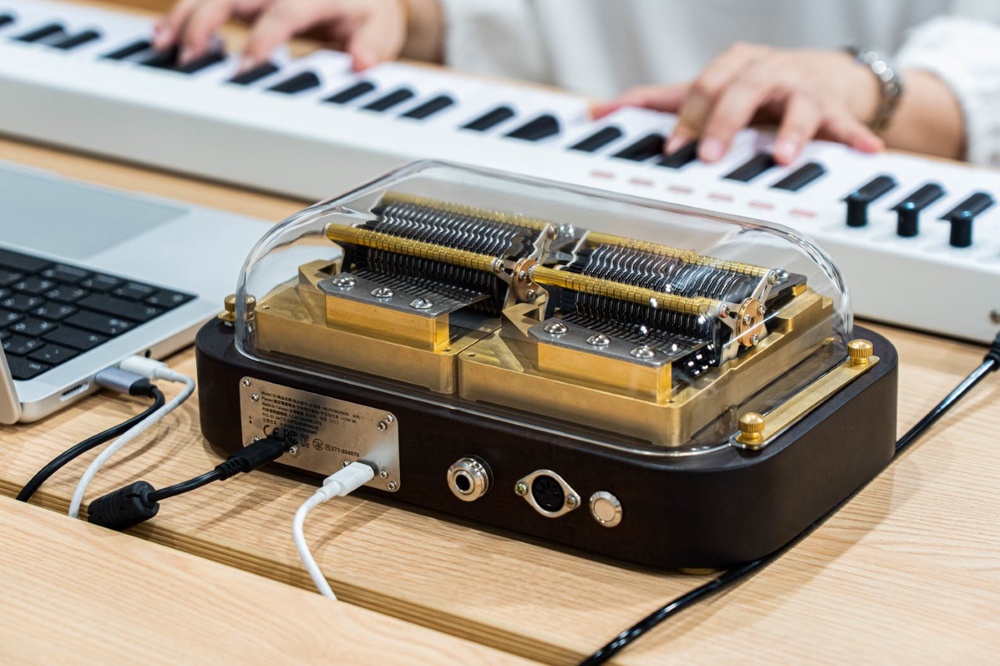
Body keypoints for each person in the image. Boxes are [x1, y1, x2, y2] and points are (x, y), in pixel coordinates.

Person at [154, 0, 1000, 167]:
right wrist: (402, 13)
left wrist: (864, 82)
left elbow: (978, 67)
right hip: (576, 172)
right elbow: (528, 21)